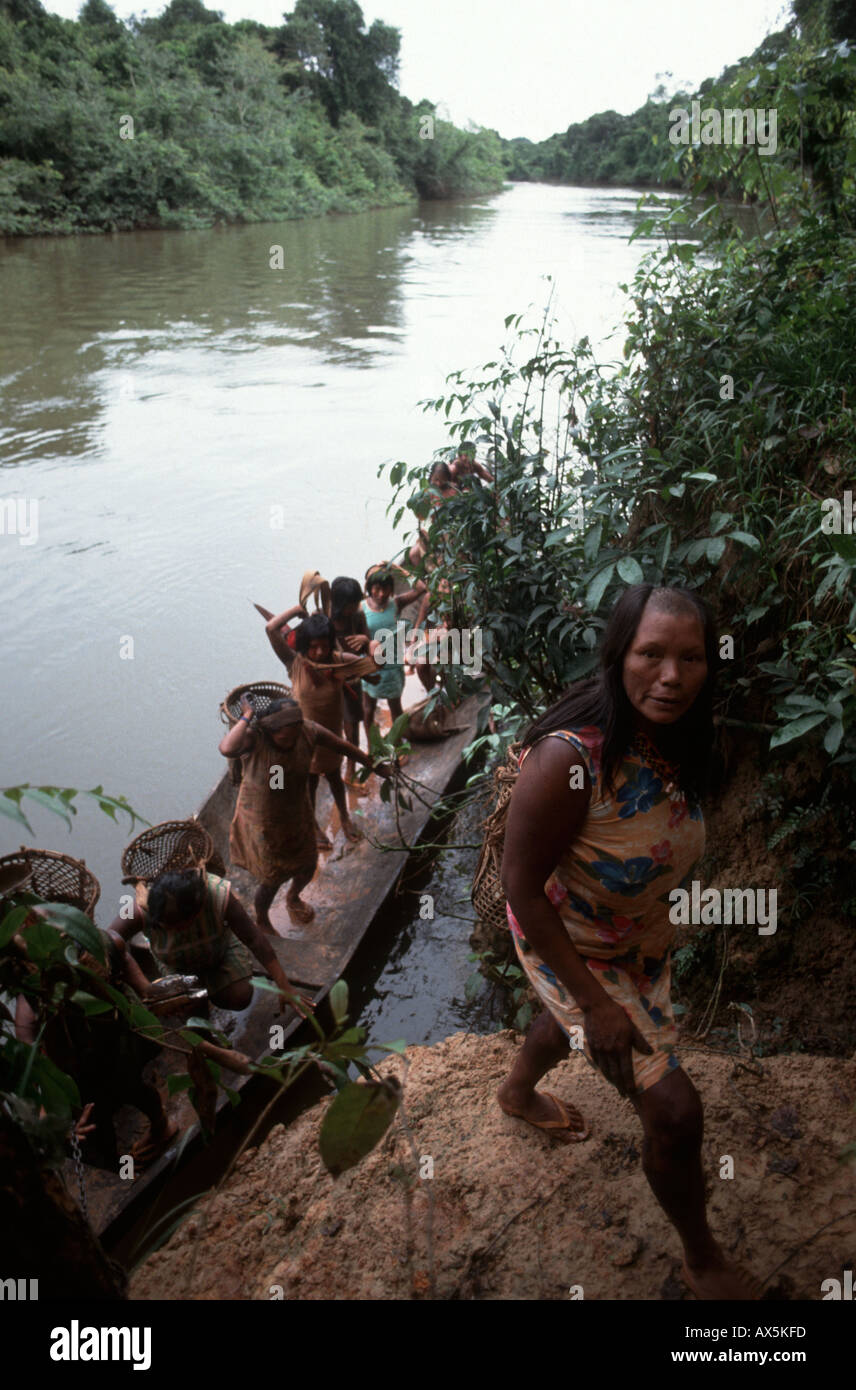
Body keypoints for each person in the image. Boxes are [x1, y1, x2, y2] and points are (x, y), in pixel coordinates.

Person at [497, 583, 761, 1301]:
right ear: (618, 655)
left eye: (691, 658)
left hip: (634, 935)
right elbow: (519, 889)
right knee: (675, 1113)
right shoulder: (568, 761)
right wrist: (597, 1004)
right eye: (651, 654)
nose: (671, 675)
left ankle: (516, 1092)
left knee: (569, 1027)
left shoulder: (681, 738)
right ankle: (703, 1260)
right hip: (569, 940)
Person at [15, 923, 178, 1168]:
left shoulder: (104, 946)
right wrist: (41, 1101)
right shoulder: (36, 994)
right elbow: (27, 1040)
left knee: (128, 1093)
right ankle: (126, 1163)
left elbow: (124, 959)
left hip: (115, 1045)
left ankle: (154, 1135)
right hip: (86, 1060)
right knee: (108, 1111)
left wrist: (149, 991)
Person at [219, 695, 390, 929]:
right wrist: (247, 715)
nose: (291, 739)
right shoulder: (255, 739)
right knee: (272, 879)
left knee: (308, 864)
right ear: (271, 730)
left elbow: (344, 747)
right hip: (263, 819)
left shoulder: (308, 731)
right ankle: (262, 917)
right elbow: (227, 748)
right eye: (284, 736)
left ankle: (293, 896)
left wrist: (374, 765)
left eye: (295, 732)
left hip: (296, 810)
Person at [107, 865, 313, 1017]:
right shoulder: (140, 909)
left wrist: (284, 986)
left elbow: (254, 939)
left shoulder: (216, 895)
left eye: (177, 926)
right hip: (176, 965)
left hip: (218, 951)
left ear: (195, 914)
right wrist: (145, 988)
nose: (171, 930)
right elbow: (109, 939)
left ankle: (212, 992)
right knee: (189, 1010)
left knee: (240, 996)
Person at [265, 607, 379, 846]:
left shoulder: (339, 662)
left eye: (324, 646)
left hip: (331, 739)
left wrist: (371, 645)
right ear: (304, 645)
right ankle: (313, 826)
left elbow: (375, 675)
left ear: (331, 643)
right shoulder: (294, 663)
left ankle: (345, 817)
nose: (319, 652)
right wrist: (297, 610)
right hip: (303, 740)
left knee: (335, 777)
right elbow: (271, 628)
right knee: (310, 783)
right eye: (313, 647)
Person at [360, 565, 426, 748]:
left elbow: (421, 588)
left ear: (391, 589)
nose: (381, 594)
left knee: (396, 708)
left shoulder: (395, 603)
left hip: (393, 668)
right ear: (369, 588)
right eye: (376, 589)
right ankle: (372, 747)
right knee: (368, 709)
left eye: (385, 588)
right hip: (371, 667)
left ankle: (397, 746)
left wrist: (398, 569)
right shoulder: (361, 608)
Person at [329, 575, 376, 793]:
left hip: (353, 682)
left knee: (352, 730)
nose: (356, 607)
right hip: (329, 684)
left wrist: (365, 641)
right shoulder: (325, 620)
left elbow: (367, 644)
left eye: (356, 603)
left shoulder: (356, 618)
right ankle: (329, 768)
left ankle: (349, 772)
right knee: (329, 730)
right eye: (351, 604)